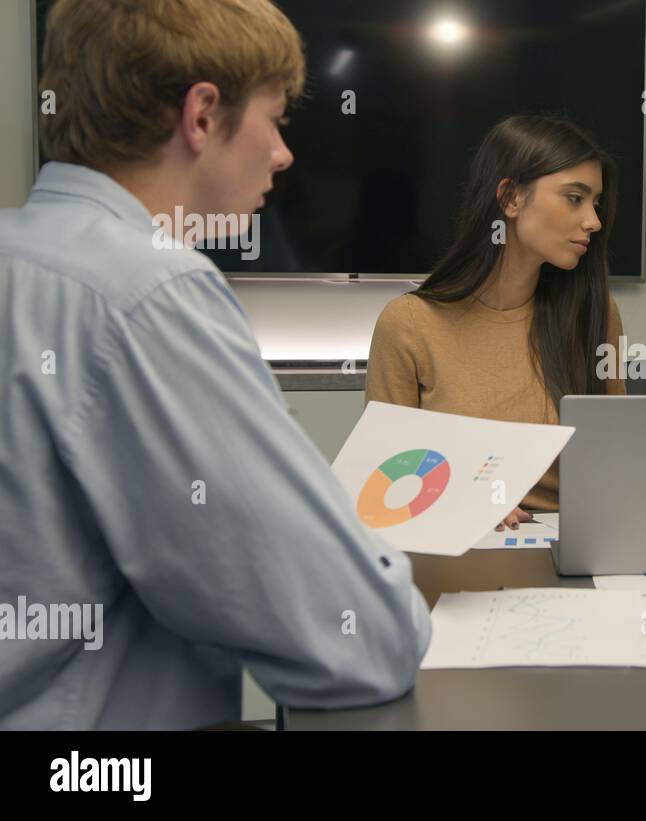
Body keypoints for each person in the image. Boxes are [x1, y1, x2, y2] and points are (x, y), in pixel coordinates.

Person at [0, 0, 430, 730]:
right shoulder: (150, 294)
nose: (283, 153)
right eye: (275, 118)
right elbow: (360, 637)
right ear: (201, 115)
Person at [366, 115, 626, 529]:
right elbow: (383, 485)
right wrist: (465, 500)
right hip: (455, 542)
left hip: (570, 543)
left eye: (595, 203)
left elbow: (616, 467)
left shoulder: (594, 314)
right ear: (510, 198)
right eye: (575, 198)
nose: (593, 221)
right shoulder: (409, 324)